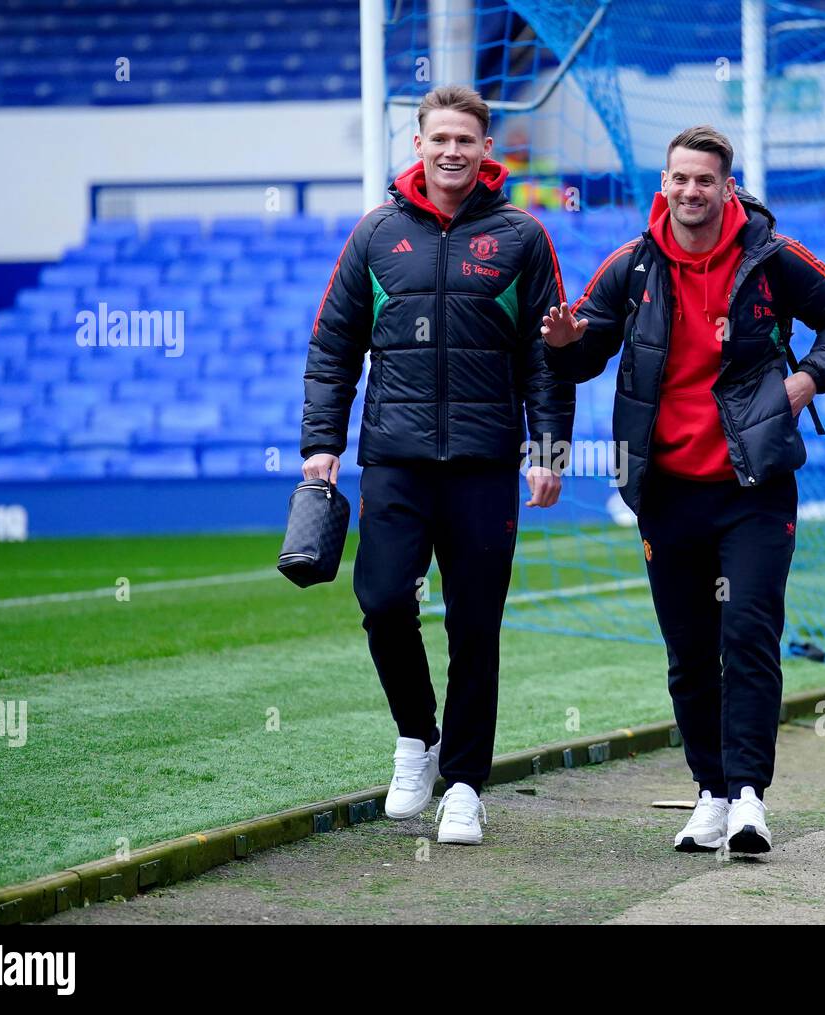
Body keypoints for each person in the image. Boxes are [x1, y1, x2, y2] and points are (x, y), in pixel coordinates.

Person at [541, 125, 825, 854]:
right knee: (689, 651)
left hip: (754, 487)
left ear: (727, 187)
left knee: (748, 634)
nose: (691, 191)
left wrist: (805, 379)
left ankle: (750, 796)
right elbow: (584, 356)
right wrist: (562, 343)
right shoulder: (631, 267)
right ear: (665, 184)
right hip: (666, 492)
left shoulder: (770, 258)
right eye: (679, 179)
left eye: (705, 180)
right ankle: (710, 793)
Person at [300, 85, 574, 845]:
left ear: (488, 150)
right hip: (394, 457)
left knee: (475, 625)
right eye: (439, 137)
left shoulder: (523, 237)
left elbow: (545, 358)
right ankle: (416, 737)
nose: (453, 150)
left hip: (486, 465)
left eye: (467, 139)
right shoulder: (375, 235)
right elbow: (332, 347)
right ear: (417, 144)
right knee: (385, 601)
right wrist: (320, 443)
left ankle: (463, 784)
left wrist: (548, 447)